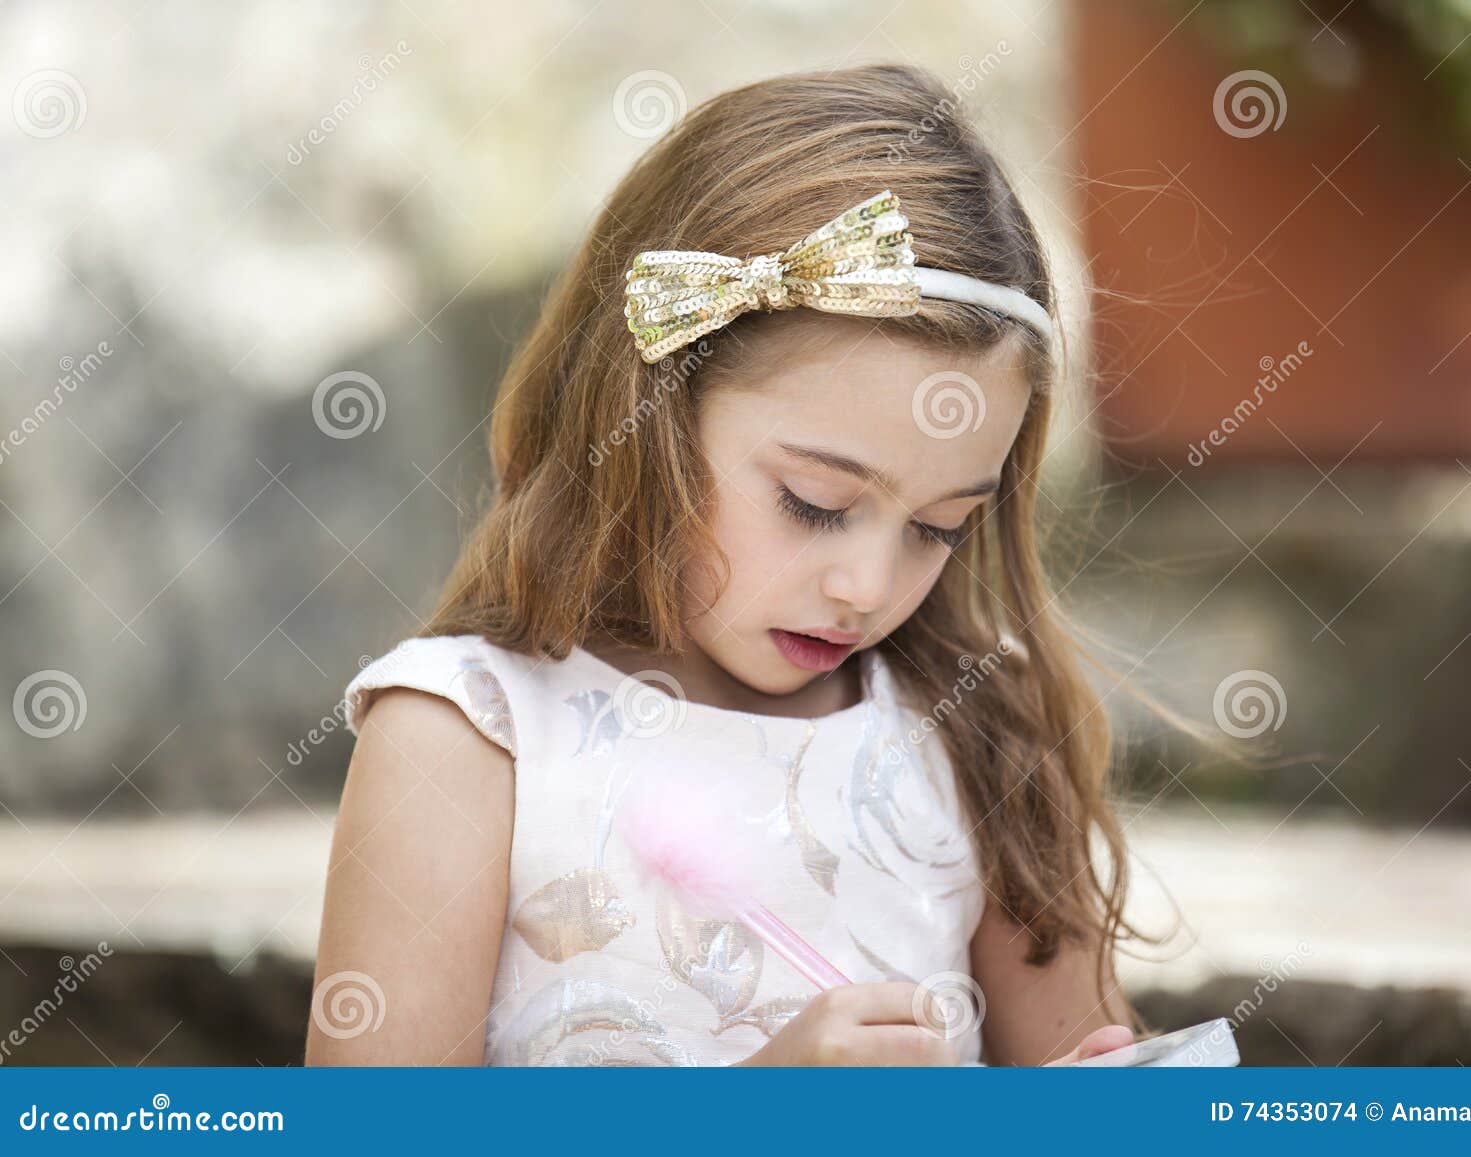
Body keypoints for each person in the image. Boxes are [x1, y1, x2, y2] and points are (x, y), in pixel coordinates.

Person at [306, 62, 1152, 1067]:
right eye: (815, 502)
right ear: (651, 413)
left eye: (940, 527)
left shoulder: (981, 729)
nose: (865, 587)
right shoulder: (467, 738)